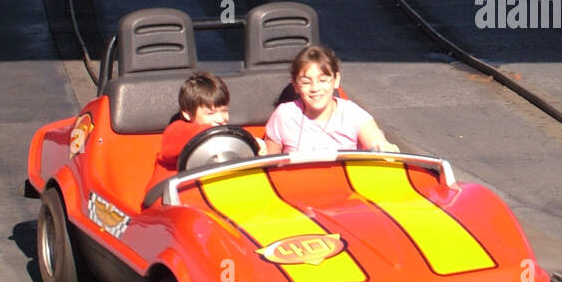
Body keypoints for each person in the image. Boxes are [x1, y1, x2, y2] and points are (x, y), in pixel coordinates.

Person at [264, 46, 397, 155]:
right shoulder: (284, 115)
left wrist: (381, 145)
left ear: (336, 80)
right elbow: (268, 164)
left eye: (323, 80)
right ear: (295, 85)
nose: (315, 88)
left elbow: (374, 139)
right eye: (306, 82)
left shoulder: (352, 114)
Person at [146, 73, 239, 190]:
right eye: (210, 113)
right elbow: (198, 133)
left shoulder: (221, 133)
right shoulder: (177, 130)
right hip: (167, 194)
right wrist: (231, 136)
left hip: (203, 190)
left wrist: (252, 143)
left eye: (225, 111)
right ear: (188, 114)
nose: (221, 119)